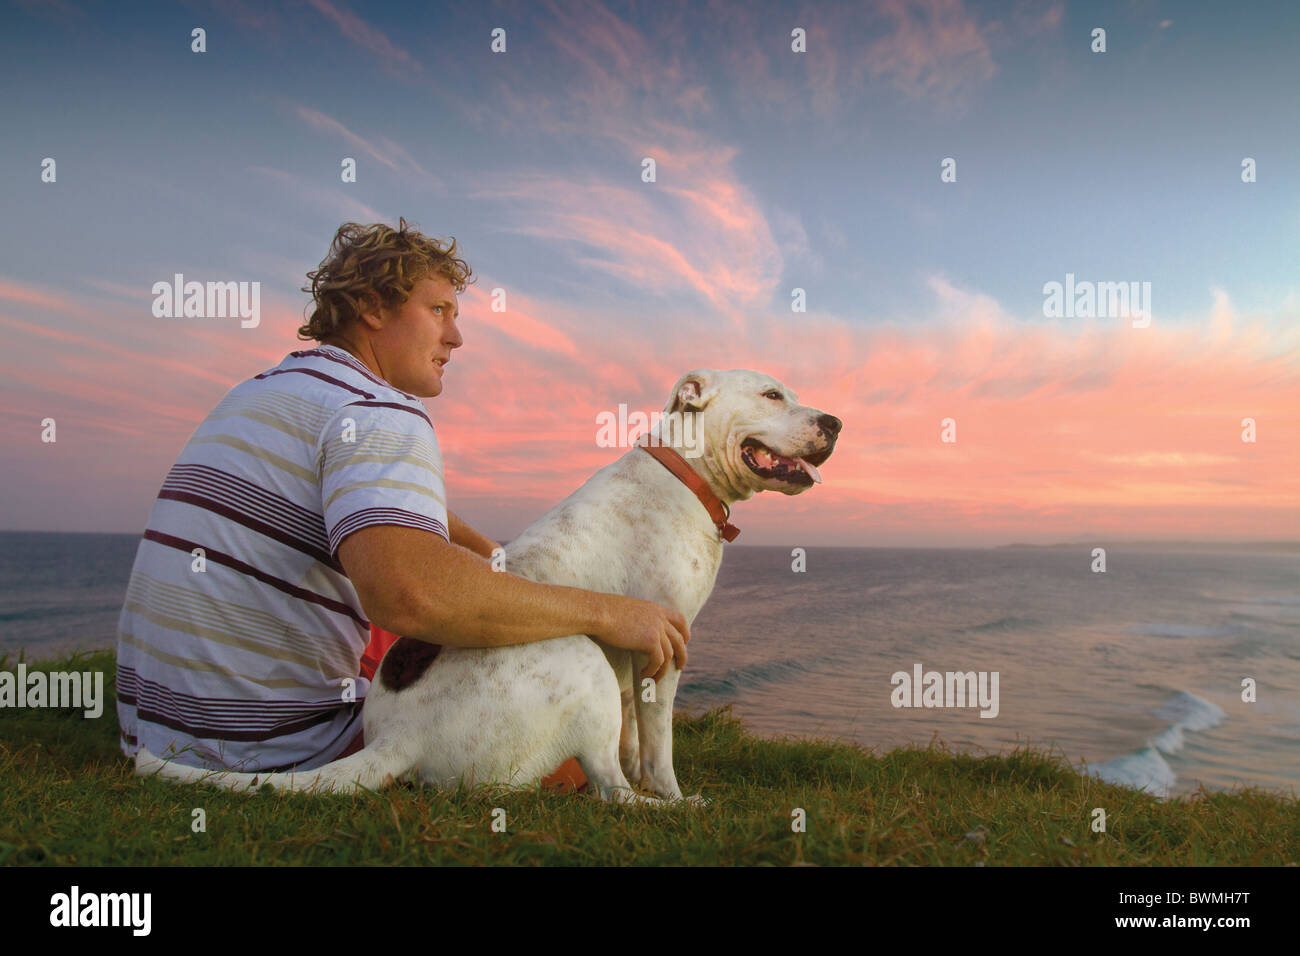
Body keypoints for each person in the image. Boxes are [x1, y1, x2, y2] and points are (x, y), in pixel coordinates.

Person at [116, 218, 689, 777]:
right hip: (273, 748)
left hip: (164, 733)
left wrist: (489, 552)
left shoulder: (260, 393)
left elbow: (378, 511)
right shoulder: (377, 411)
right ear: (372, 307)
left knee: (453, 608)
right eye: (438, 310)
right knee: (574, 726)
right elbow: (409, 596)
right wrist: (605, 613)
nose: (456, 336)